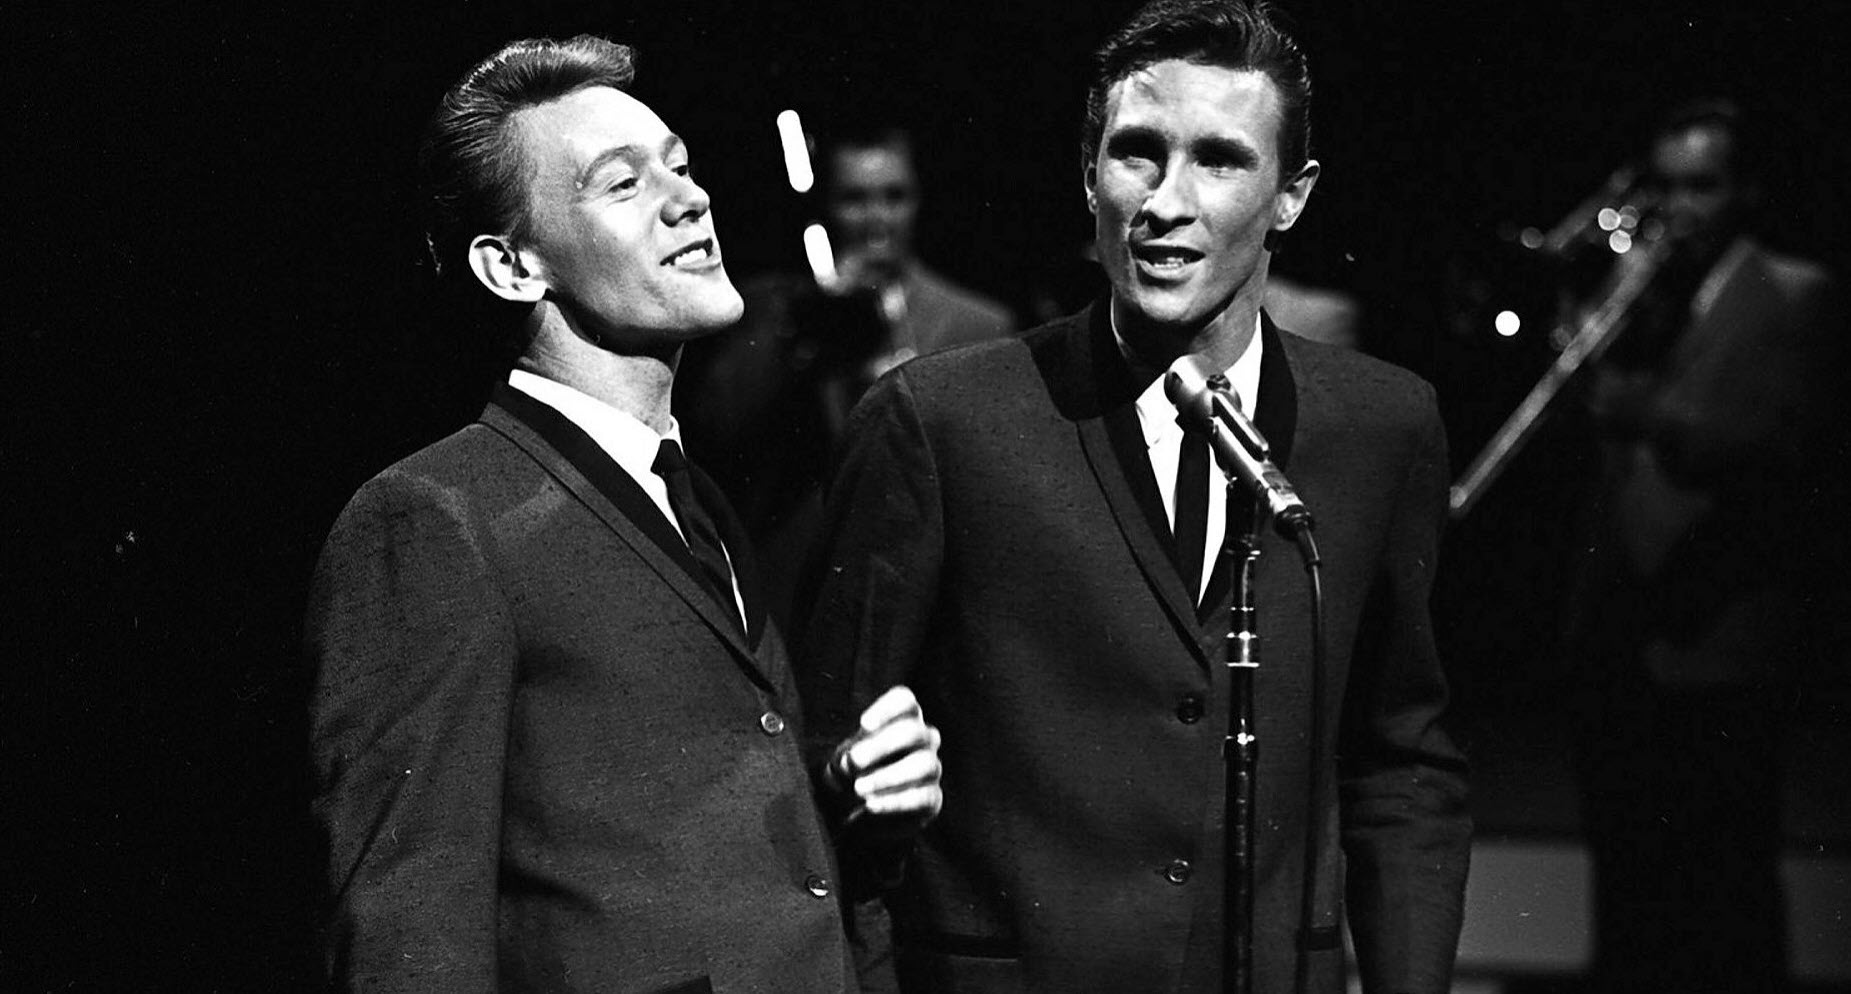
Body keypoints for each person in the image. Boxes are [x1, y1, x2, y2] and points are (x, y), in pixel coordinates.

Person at [798, 2, 1471, 992]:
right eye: (1137, 153)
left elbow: (1403, 765)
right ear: (1089, 173)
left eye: (1220, 160)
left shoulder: (1384, 427)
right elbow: (825, 749)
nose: (1165, 201)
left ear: (1291, 196)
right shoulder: (937, 422)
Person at [304, 35, 942, 993]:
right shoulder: (434, 519)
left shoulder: (695, 497)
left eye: (680, 166)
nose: (689, 199)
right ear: (512, 267)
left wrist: (842, 793)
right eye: (623, 183)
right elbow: (408, 938)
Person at [1563, 98, 1846, 994]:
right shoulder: (1652, 292)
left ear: (1744, 191)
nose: (1680, 208)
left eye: (1703, 186)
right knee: (1626, 865)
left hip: (1720, 631)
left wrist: (1650, 414)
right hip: (1625, 621)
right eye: (1668, 186)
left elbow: (1785, 449)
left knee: (1723, 871)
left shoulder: (1796, 292)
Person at [678, 124, 1016, 629]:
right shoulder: (777, 310)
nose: (877, 218)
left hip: (934, 583)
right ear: (828, 206)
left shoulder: (977, 324)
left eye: (893, 197)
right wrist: (812, 323)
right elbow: (718, 425)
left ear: (918, 201)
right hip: (807, 581)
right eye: (855, 199)